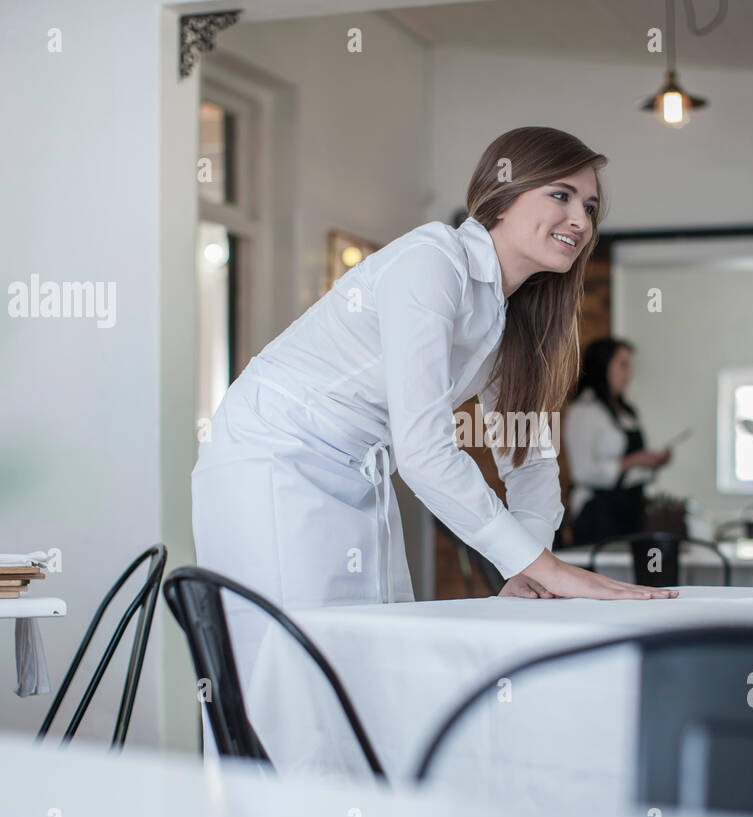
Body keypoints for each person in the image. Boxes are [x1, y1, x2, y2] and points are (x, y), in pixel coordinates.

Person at [192, 127, 678, 762]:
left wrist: (531, 570)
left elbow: (530, 458)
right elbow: (424, 450)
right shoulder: (432, 262)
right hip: (272, 456)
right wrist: (538, 564)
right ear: (503, 194)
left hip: (360, 468)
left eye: (590, 207)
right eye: (562, 195)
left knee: (369, 654)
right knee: (286, 666)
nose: (580, 220)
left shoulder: (515, 316)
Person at [563, 337, 671, 546]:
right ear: (602, 366)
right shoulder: (584, 412)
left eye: (629, 366)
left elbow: (632, 474)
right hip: (599, 516)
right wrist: (631, 462)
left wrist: (652, 462)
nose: (628, 374)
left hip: (630, 511)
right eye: (622, 365)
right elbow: (582, 471)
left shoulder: (626, 413)